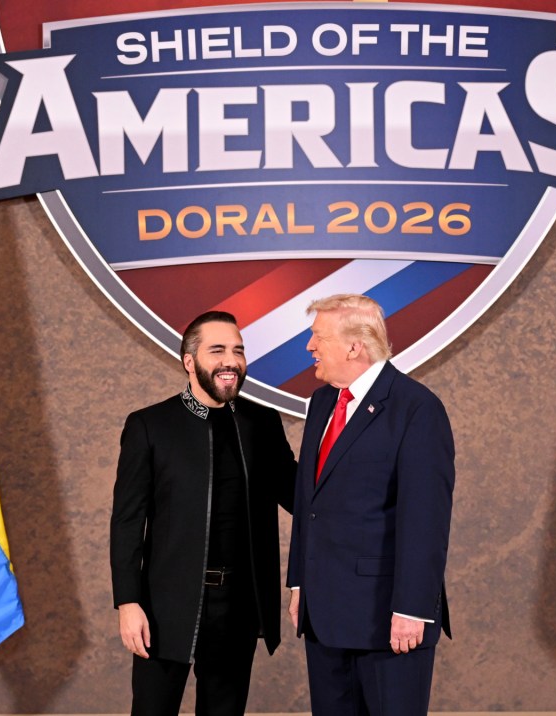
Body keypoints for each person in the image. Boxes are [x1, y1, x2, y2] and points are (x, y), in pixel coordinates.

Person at [111, 310, 296, 716]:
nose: (231, 360)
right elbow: (127, 521)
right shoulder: (149, 425)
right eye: (218, 350)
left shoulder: (263, 423)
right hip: (164, 606)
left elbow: (302, 500)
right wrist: (128, 603)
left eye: (238, 350)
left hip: (240, 607)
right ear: (190, 361)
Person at [287, 294, 455, 716]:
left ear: (353, 346)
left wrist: (413, 608)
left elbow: (425, 519)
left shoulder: (417, 408)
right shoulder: (322, 403)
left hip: (388, 620)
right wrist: (298, 584)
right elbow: (309, 502)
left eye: (317, 337)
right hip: (324, 616)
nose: (310, 347)